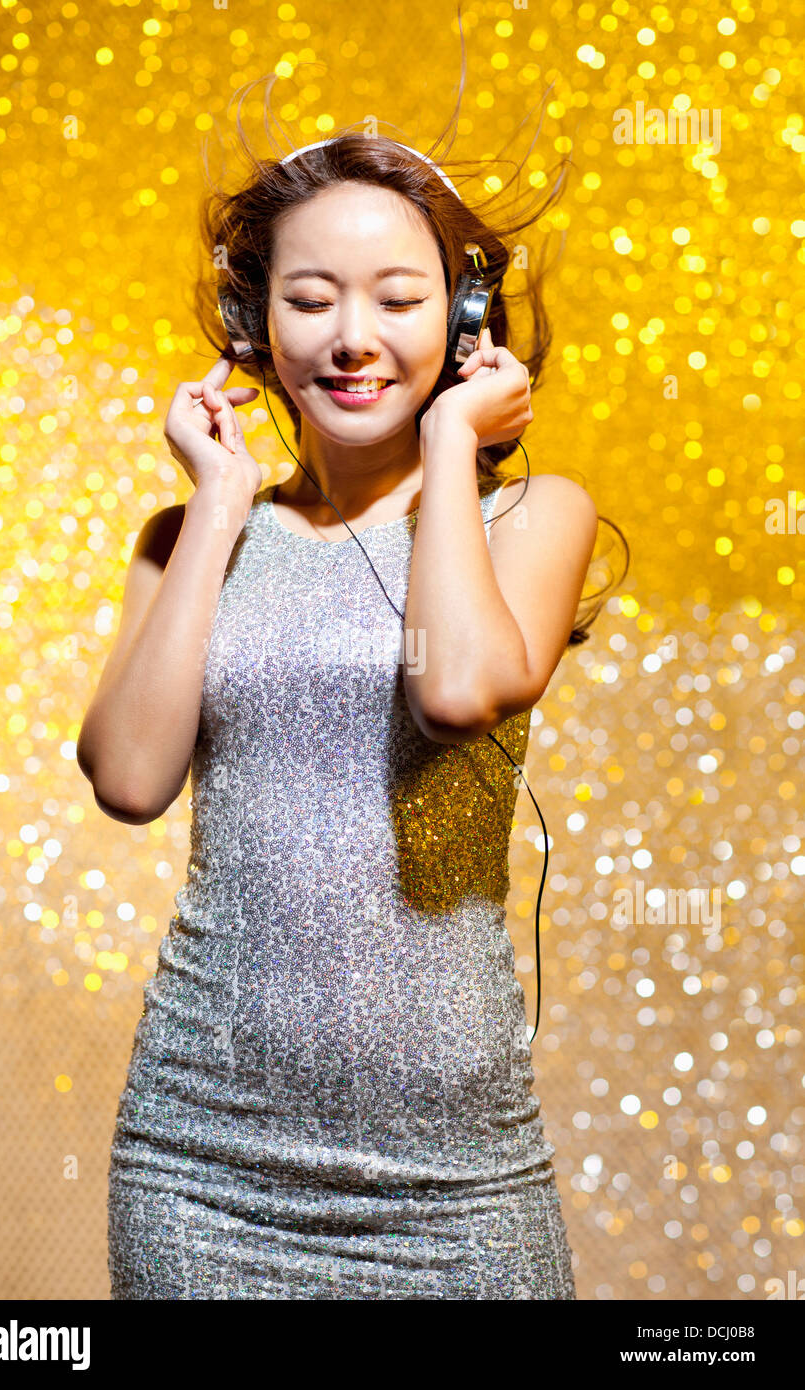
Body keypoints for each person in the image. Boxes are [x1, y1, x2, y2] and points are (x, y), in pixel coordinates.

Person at [77, 128, 618, 1299]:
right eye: (310, 298)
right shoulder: (184, 540)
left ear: (464, 316)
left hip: (457, 1184)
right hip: (201, 1167)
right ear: (254, 323)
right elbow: (127, 776)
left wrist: (444, 443)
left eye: (399, 298)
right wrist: (218, 506)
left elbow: (454, 689)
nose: (353, 337)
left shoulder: (530, 515)